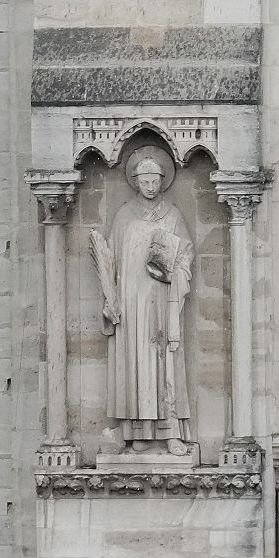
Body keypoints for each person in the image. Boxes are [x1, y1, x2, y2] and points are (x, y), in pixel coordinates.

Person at [90, 153, 195, 453]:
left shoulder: (172, 215)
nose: (150, 186)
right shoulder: (124, 216)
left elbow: (186, 251)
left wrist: (177, 269)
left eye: (155, 180)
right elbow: (111, 262)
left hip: (163, 300)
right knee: (134, 363)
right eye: (145, 181)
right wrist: (110, 298)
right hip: (132, 302)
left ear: (163, 181)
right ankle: (138, 430)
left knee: (165, 364)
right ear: (135, 182)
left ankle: (171, 431)